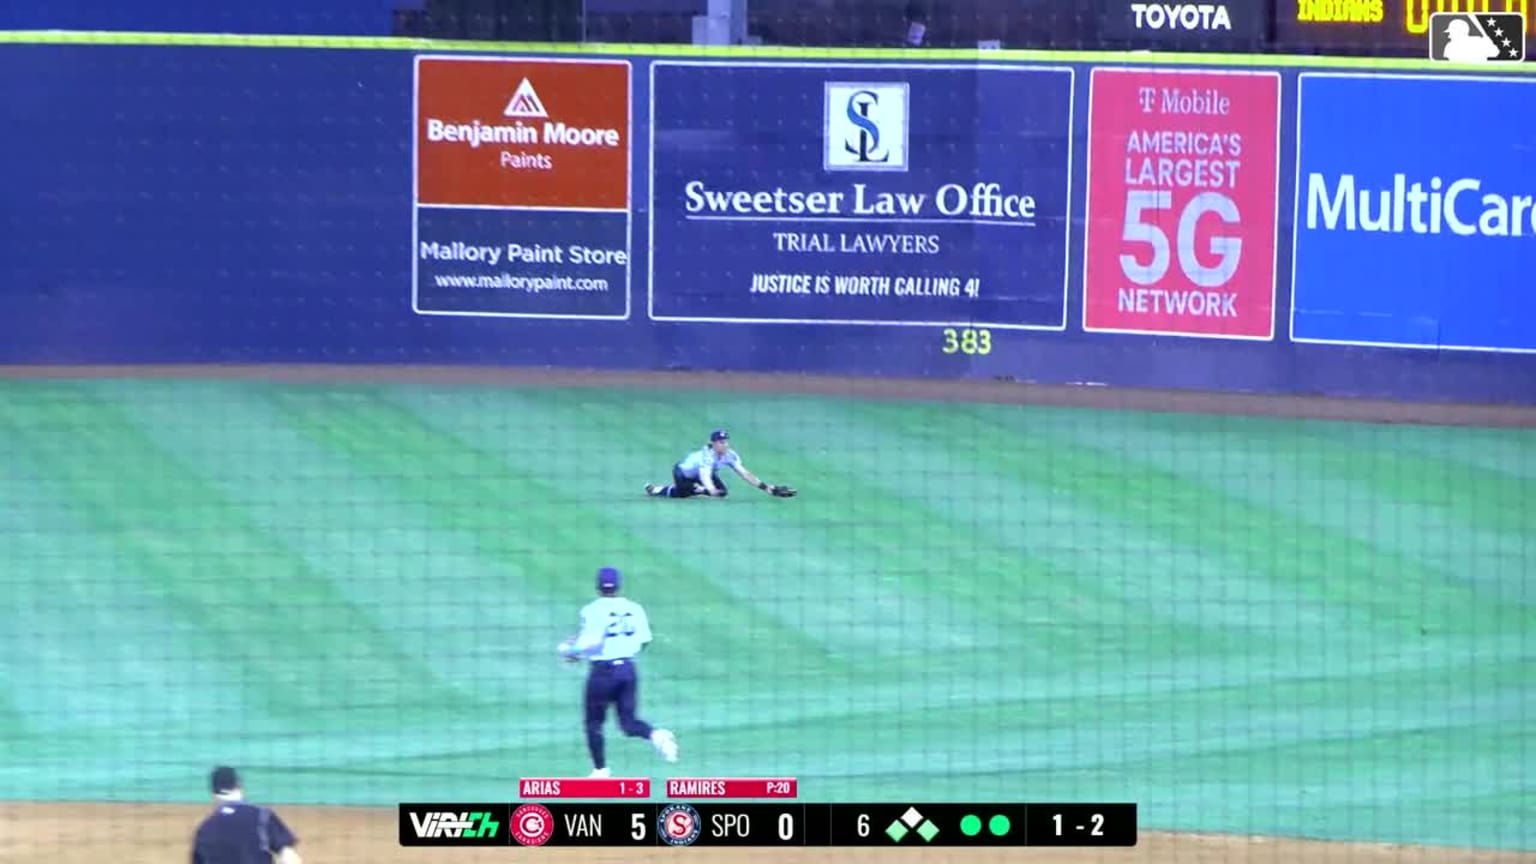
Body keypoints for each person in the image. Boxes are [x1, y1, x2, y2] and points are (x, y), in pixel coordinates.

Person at [559, 567, 679, 777]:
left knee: (593, 723)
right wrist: (623, 650)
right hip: (627, 671)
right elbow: (644, 640)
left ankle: (600, 770)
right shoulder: (635, 608)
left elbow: (591, 642)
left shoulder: (592, 610)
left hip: (602, 674)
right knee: (628, 723)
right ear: (619, 586)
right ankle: (656, 735)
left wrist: (571, 651)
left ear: (598, 587)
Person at [190, 766, 302, 864]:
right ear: (238, 785)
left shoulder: (205, 829)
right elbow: (289, 858)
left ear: (213, 793)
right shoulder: (262, 816)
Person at [644, 429, 796, 499]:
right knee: (683, 494)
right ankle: (657, 490)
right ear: (713, 443)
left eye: (726, 442)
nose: (725, 445)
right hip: (682, 473)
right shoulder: (707, 456)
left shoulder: (730, 455)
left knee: (722, 492)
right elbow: (704, 475)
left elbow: (744, 473)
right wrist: (710, 490)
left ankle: (692, 489)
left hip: (701, 476)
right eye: (721, 442)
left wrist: (767, 488)